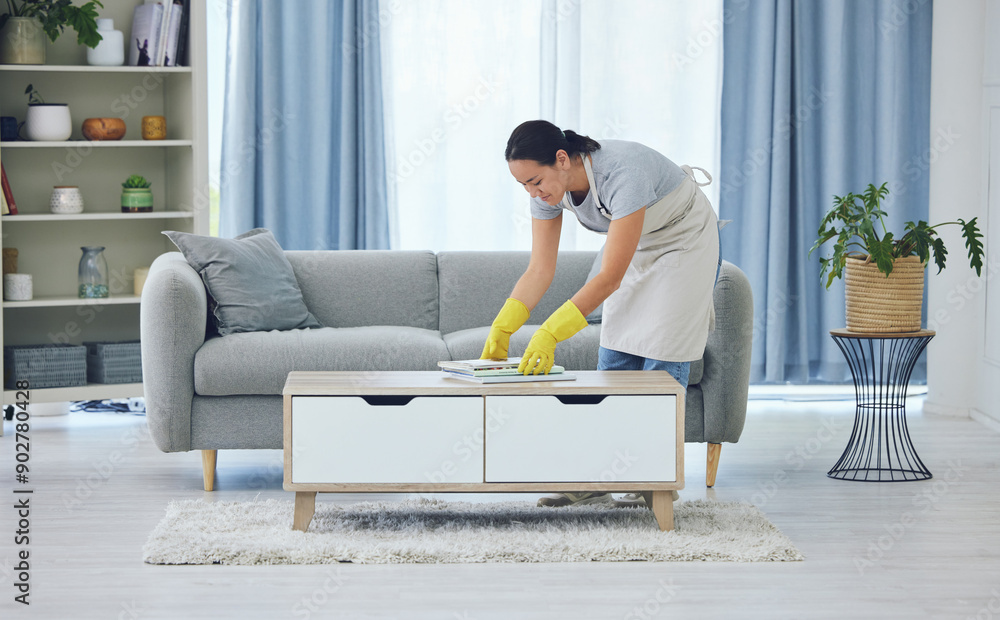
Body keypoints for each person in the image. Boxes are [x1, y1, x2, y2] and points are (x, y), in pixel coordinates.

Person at [481, 120, 720, 508]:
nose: (533, 193)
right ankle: (594, 476)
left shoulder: (623, 173)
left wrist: (551, 333)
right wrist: (504, 325)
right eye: (523, 185)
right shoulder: (545, 191)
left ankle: (655, 479)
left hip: (684, 241)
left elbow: (609, 277)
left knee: (662, 359)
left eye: (535, 181)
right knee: (615, 354)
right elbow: (540, 269)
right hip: (639, 244)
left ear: (562, 159)